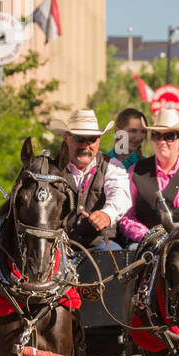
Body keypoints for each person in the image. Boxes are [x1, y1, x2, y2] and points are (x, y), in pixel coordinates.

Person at [118, 107, 179, 244]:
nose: (161, 141)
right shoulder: (135, 171)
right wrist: (150, 237)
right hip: (147, 246)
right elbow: (126, 216)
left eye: (169, 136)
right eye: (156, 135)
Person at [46, 108, 133, 251]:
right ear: (66, 137)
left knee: (113, 254)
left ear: (99, 140)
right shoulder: (51, 168)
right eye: (80, 139)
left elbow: (120, 195)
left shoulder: (112, 166)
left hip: (100, 244)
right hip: (58, 245)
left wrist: (107, 214)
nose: (86, 146)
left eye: (92, 139)